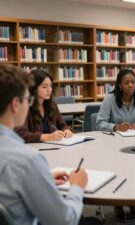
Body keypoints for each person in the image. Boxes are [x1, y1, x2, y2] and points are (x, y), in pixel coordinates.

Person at [0, 64, 88, 225]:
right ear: (15, 104)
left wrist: (39, 180)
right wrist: (77, 187)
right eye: (28, 99)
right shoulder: (27, 161)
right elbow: (65, 221)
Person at [96, 69, 135, 220]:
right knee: (119, 168)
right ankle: (118, 203)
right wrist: (115, 127)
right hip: (112, 144)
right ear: (120, 85)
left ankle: (132, 201)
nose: (130, 85)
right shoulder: (110, 99)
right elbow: (100, 122)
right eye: (126, 83)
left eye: (133, 82)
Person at [15, 69, 73, 143]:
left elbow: (63, 125)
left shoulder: (51, 103)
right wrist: (48, 137)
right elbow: (21, 134)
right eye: (44, 87)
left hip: (54, 147)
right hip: (34, 149)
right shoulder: (25, 106)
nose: (49, 90)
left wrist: (67, 130)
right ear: (34, 89)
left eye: (50, 86)